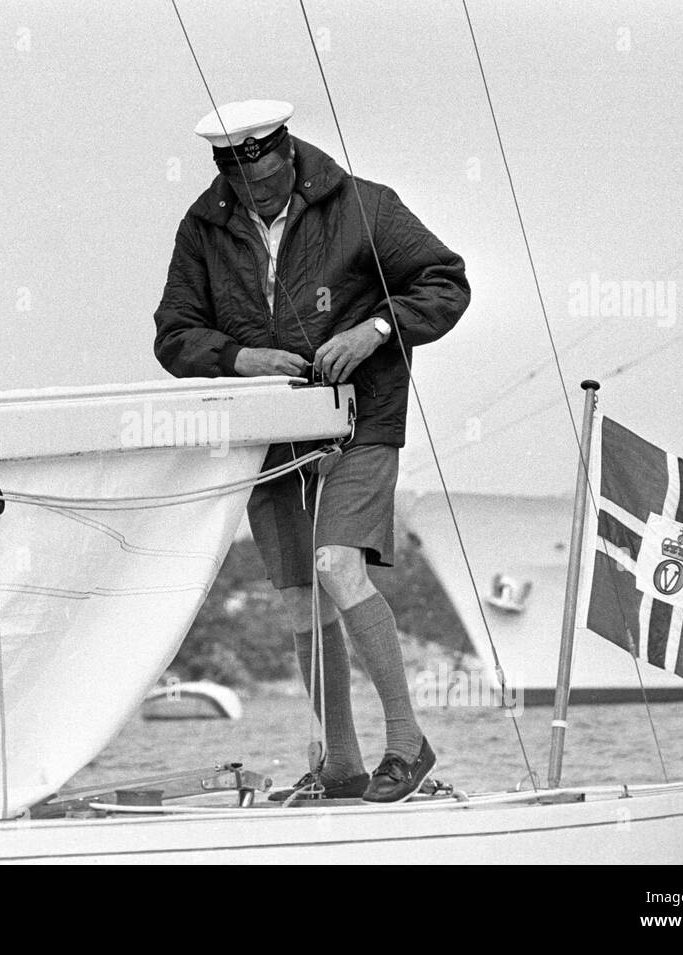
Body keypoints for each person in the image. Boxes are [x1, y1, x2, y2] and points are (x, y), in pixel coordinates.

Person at [152, 99, 470, 802]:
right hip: (270, 439)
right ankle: (343, 766)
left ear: (286, 149)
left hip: (361, 422)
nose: (253, 185)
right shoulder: (203, 229)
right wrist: (238, 358)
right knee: (301, 601)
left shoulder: (364, 206)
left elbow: (446, 282)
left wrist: (381, 328)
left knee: (337, 565)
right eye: (237, 175)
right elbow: (173, 334)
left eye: (263, 168)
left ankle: (408, 746)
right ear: (221, 169)